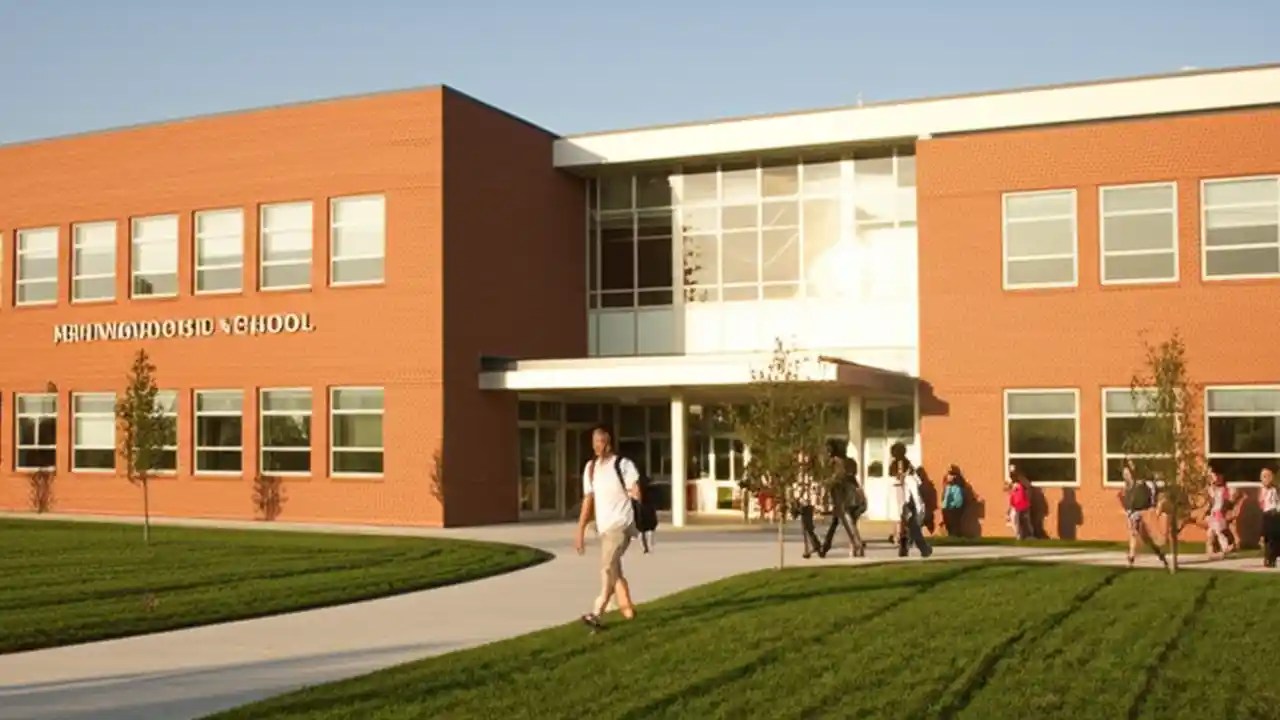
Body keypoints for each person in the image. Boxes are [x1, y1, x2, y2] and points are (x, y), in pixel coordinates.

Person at [574, 425, 641, 631]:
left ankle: (597, 612)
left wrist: (638, 510)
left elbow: (636, 491)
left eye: (600, 442)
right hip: (604, 528)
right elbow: (588, 500)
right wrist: (580, 531)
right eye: (594, 443)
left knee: (607, 566)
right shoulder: (591, 468)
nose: (597, 446)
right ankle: (628, 612)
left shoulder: (623, 465)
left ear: (608, 442)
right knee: (614, 570)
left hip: (622, 525)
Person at [819, 441, 866, 558]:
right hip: (851, 492)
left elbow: (839, 477)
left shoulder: (837, 462)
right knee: (849, 521)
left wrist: (826, 483)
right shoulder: (848, 462)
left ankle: (856, 545)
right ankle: (855, 546)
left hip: (844, 495)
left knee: (848, 521)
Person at [1117, 460, 1167, 569]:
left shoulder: (1139, 485)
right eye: (1124, 473)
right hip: (1133, 514)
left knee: (1139, 535)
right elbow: (1127, 502)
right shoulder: (1127, 488)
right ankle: (1136, 557)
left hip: (1141, 512)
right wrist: (1127, 509)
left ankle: (1133, 558)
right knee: (1139, 536)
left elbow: (1145, 498)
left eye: (1127, 473)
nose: (1125, 475)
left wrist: (1154, 506)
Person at [893, 451, 932, 558]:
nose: (899, 473)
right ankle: (906, 549)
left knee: (914, 530)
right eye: (898, 471)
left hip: (913, 507)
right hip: (907, 507)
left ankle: (924, 549)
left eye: (901, 470)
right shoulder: (904, 481)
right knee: (908, 531)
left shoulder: (910, 480)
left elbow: (916, 496)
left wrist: (919, 512)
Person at [1204, 471, 1236, 559]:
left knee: (1219, 532)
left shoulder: (1225, 490)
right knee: (1211, 533)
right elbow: (1211, 502)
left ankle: (1225, 548)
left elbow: (1226, 502)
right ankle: (1212, 551)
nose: (1216, 480)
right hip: (1213, 514)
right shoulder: (1212, 490)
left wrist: (1224, 512)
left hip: (1219, 514)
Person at [1260, 467, 1279, 569]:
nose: (1265, 479)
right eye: (1263, 477)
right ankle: (1268, 557)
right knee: (1266, 538)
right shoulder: (1263, 490)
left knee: (1273, 538)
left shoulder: (1275, 489)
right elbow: (1261, 503)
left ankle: (1272, 558)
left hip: (1274, 514)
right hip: (1266, 514)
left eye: (1268, 476)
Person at [941, 465, 966, 537]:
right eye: (948, 474)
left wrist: (950, 506)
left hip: (953, 511)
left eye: (951, 474)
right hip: (947, 510)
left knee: (954, 529)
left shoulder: (957, 488)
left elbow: (958, 502)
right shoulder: (947, 487)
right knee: (949, 530)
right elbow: (944, 499)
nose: (948, 476)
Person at [1009, 468, 1033, 540]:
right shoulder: (1013, 485)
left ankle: (1028, 534)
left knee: (1025, 520)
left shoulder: (1021, 484)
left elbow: (1024, 492)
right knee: (1015, 520)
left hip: (1022, 504)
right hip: (1016, 505)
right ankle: (1019, 534)